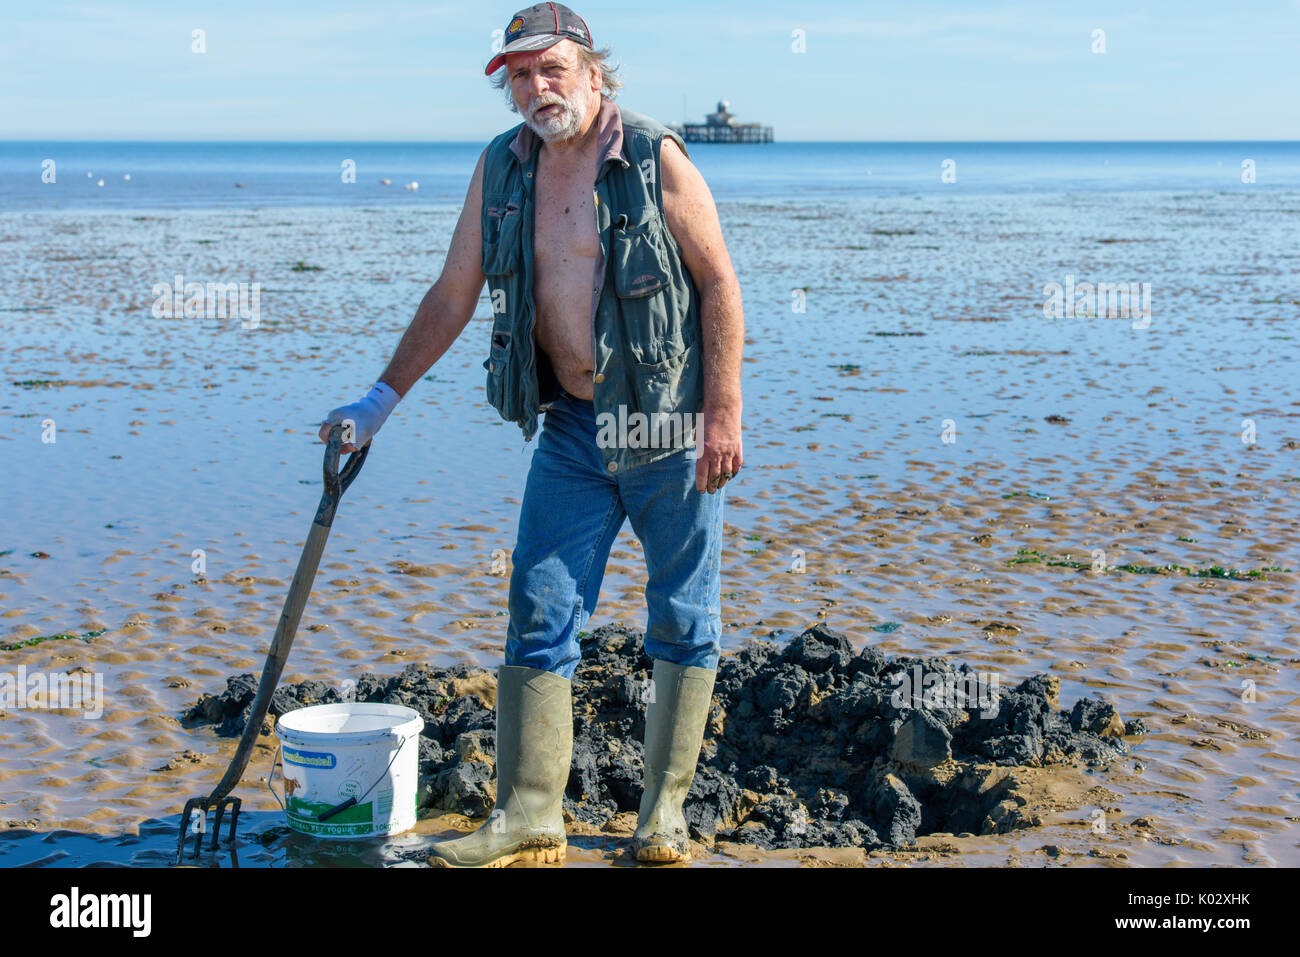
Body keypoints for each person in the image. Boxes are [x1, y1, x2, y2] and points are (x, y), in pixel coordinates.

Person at [319, 1, 744, 867]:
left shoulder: (655, 156)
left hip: (666, 420)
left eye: (551, 69)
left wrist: (724, 416)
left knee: (683, 616)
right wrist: (377, 401)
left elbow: (720, 286)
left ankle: (663, 817)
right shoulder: (502, 170)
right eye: (518, 75)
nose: (535, 88)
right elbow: (451, 295)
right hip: (572, 425)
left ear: (594, 72)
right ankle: (528, 815)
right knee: (539, 608)